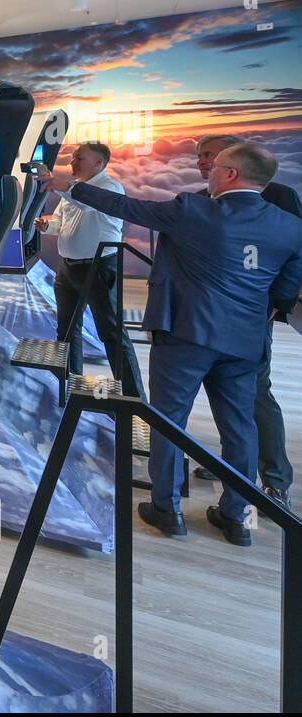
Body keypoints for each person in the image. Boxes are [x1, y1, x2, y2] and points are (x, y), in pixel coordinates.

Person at [39, 142, 302, 546]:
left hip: (185, 336)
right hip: (245, 340)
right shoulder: (289, 226)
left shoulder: (194, 211)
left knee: (168, 420)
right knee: (239, 427)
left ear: (231, 174)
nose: (207, 172)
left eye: (215, 167)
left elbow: (130, 209)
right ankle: (235, 516)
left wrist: (67, 185)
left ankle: (167, 508)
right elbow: (286, 286)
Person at [190, 135, 301, 506]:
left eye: (210, 157)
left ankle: (275, 480)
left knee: (255, 392)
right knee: (225, 392)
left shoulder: (280, 197)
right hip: (209, 316)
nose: (202, 163)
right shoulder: (205, 198)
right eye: (200, 157)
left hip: (252, 317)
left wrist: (276, 304)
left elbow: (294, 257)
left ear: (231, 159)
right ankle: (236, 464)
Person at [35, 141, 145, 398]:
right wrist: (46, 226)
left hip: (99, 268)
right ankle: (71, 387)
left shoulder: (109, 188)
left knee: (112, 334)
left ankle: (134, 399)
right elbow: (61, 222)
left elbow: (87, 203)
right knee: (67, 330)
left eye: (79, 158)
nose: (72, 162)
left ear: (99, 163)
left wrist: (60, 185)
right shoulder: (75, 191)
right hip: (68, 267)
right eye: (73, 157)